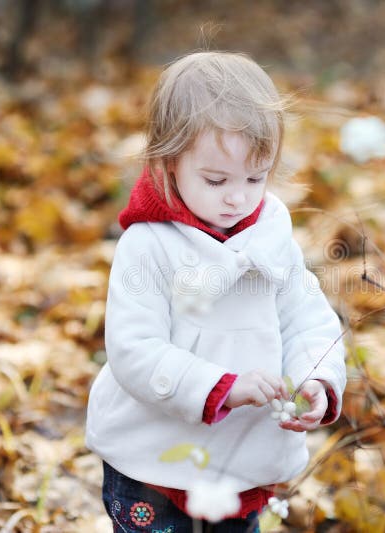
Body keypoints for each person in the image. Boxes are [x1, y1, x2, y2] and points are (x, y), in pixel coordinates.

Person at [85, 51, 347, 533]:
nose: (237, 196)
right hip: (152, 463)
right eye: (215, 180)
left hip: (242, 461)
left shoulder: (272, 239)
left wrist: (316, 377)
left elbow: (307, 321)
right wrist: (220, 386)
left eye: (255, 177)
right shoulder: (148, 245)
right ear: (167, 166)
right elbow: (133, 349)